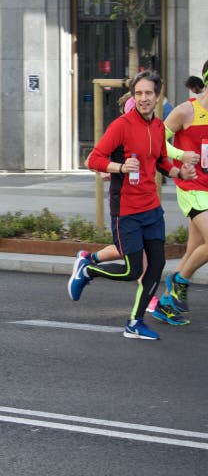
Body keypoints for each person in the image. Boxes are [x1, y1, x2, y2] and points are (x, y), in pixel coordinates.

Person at [68, 70, 196, 340]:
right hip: (126, 210)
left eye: (148, 93)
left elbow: (161, 161)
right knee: (132, 270)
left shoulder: (158, 127)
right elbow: (93, 159)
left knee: (157, 265)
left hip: (152, 208)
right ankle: (87, 270)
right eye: (138, 93)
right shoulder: (121, 126)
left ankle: (135, 323)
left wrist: (180, 174)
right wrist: (121, 167)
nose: (143, 98)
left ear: (157, 96)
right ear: (133, 96)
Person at [157, 60, 208, 318]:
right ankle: (180, 282)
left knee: (193, 250)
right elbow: (157, 141)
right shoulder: (186, 111)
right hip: (191, 186)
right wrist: (182, 155)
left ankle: (166, 303)